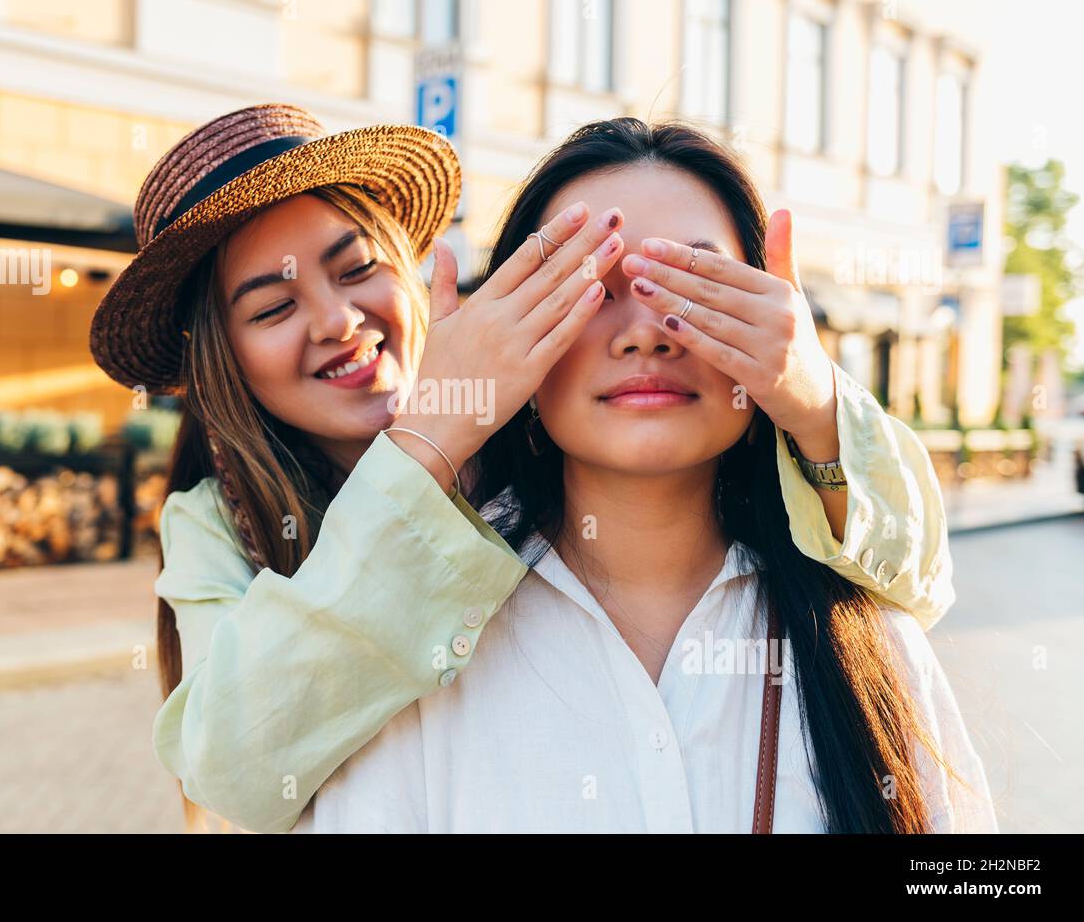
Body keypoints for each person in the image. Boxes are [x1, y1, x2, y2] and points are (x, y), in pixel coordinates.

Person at [89, 104, 957, 834]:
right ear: (222, 361)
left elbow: (911, 567)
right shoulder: (225, 526)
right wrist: (427, 442)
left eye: (358, 269)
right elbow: (229, 761)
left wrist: (810, 401)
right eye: (273, 307)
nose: (336, 321)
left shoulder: (854, 640)